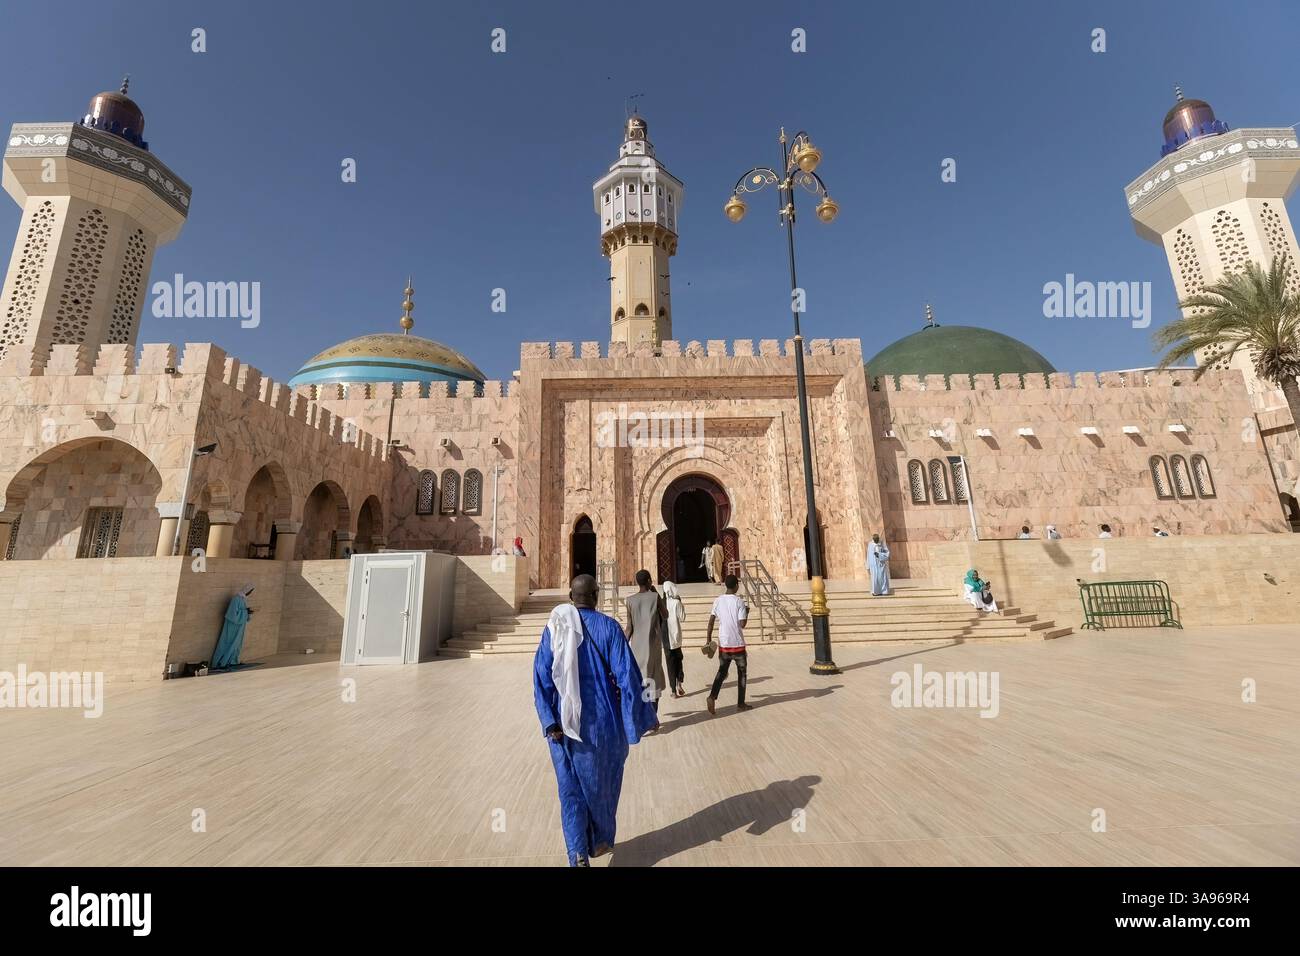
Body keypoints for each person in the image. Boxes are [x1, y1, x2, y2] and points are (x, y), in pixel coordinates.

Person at [533, 574, 658, 867]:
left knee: (571, 790)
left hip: (562, 727)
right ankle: (598, 840)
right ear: (597, 595)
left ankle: (578, 854)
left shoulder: (555, 629)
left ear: (570, 596)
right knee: (603, 784)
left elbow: (540, 677)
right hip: (602, 726)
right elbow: (628, 676)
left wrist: (549, 720)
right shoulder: (609, 628)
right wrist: (641, 718)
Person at [705, 574, 751, 714]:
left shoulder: (718, 601)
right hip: (737, 643)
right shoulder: (739, 602)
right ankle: (741, 703)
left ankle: (712, 696)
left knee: (722, 671)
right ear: (736, 585)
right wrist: (746, 613)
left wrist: (708, 639)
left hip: (724, 643)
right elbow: (742, 624)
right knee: (742, 673)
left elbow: (711, 621)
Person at [624, 570, 667, 712]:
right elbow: (665, 615)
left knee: (641, 680)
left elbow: (629, 628)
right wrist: (657, 595)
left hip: (637, 648)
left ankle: (644, 714)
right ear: (649, 580)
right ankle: (653, 716)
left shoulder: (630, 600)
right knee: (654, 681)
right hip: (653, 646)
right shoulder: (655, 597)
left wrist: (623, 647)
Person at [211, 585, 255, 670]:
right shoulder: (236, 599)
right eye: (250, 591)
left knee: (236, 645)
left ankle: (232, 661)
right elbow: (232, 615)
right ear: (246, 590)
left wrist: (248, 612)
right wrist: (246, 612)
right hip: (232, 627)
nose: (250, 593)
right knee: (228, 643)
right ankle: (222, 662)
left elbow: (243, 612)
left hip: (239, 627)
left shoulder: (242, 599)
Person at [661, 581, 687, 697]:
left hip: (666, 638)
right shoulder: (677, 602)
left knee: (670, 663)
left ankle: (673, 691)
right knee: (678, 660)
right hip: (676, 638)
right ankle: (679, 684)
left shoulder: (661, 603)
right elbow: (682, 618)